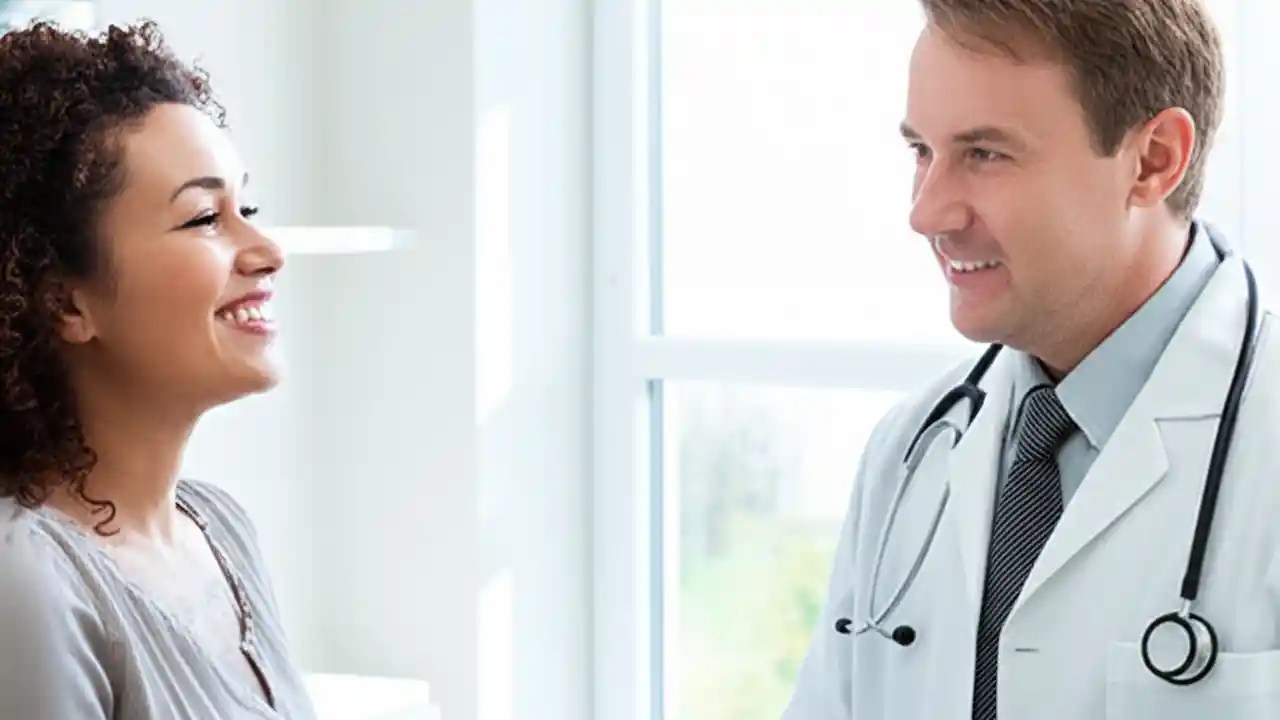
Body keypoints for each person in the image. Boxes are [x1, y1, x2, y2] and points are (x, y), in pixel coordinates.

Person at [785, 1, 1280, 718]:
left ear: (1153, 161)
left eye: (984, 155)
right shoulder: (911, 452)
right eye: (922, 151)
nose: (926, 213)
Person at [0, 20, 316, 719]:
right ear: (64, 301)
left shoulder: (221, 530)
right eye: (205, 218)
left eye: (248, 207)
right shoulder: (25, 581)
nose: (267, 249)